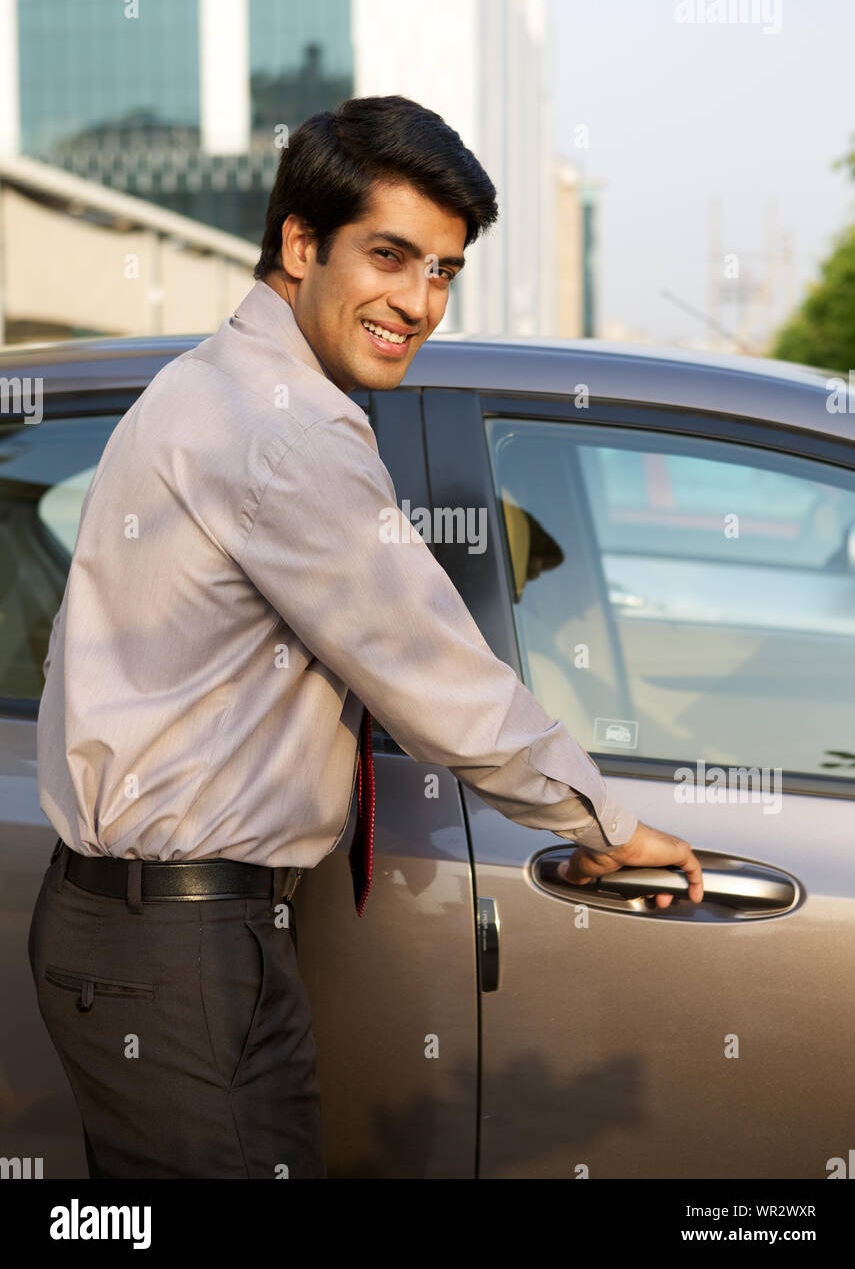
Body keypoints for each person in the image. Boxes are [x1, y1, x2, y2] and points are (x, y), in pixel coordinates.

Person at [28, 94, 703, 1180]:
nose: (419, 301)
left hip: (178, 939)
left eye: (441, 269)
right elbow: (435, 675)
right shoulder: (281, 428)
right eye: (390, 255)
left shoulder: (219, 385)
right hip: (176, 949)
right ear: (299, 243)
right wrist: (606, 823)